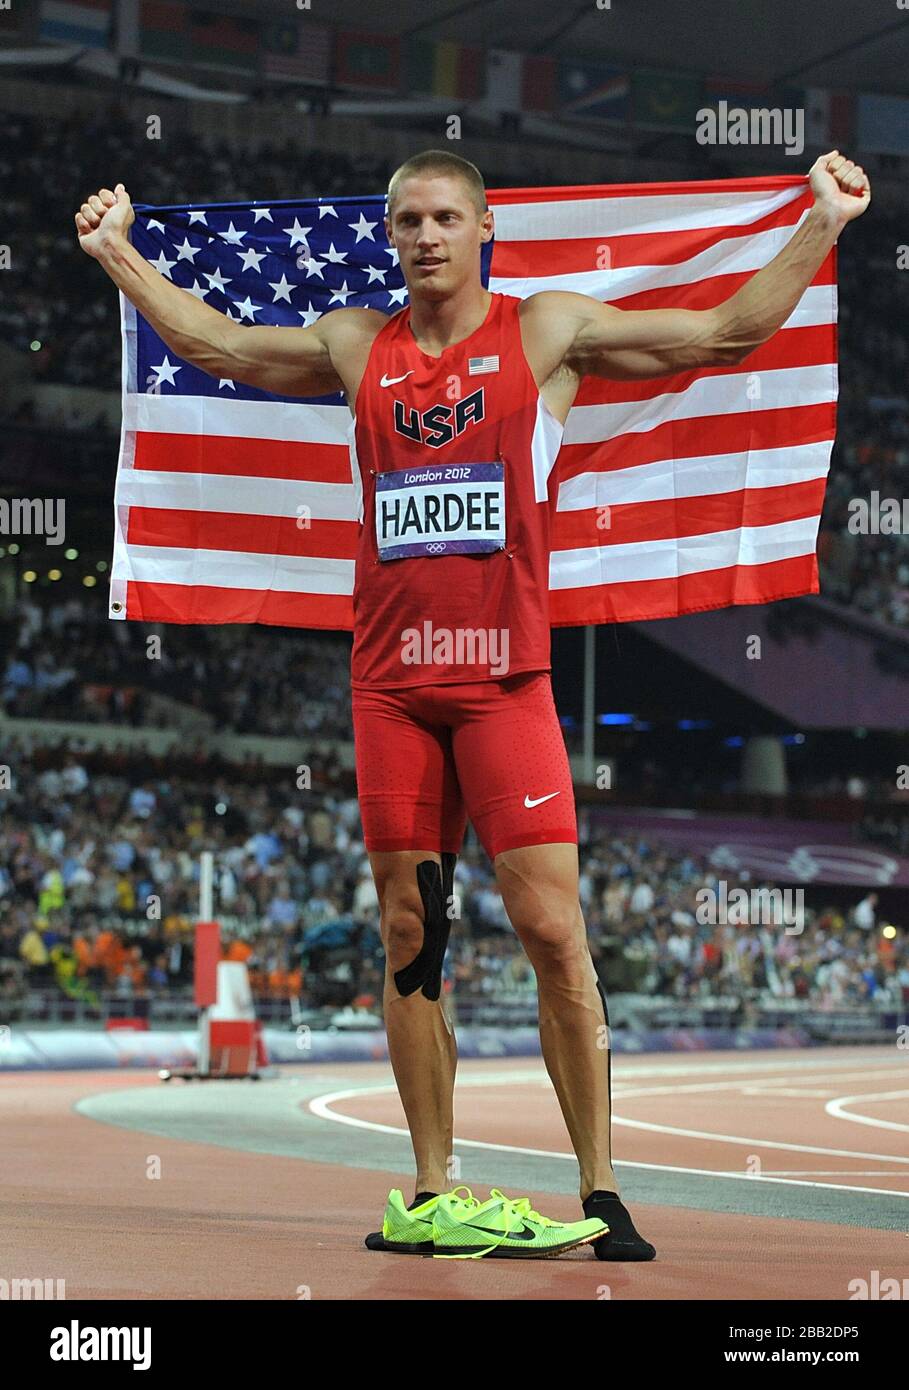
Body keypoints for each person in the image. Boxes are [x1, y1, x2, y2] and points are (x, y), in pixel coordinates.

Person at [76, 146, 870, 1261]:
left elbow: (721, 335)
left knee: (553, 931)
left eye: (446, 217)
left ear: (485, 227)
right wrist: (117, 254)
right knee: (409, 933)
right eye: (408, 220)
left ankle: (601, 1188)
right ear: (389, 234)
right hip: (392, 692)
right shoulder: (356, 343)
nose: (426, 236)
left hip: (505, 686)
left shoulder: (544, 332)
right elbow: (222, 346)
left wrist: (821, 222)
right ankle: (430, 1188)